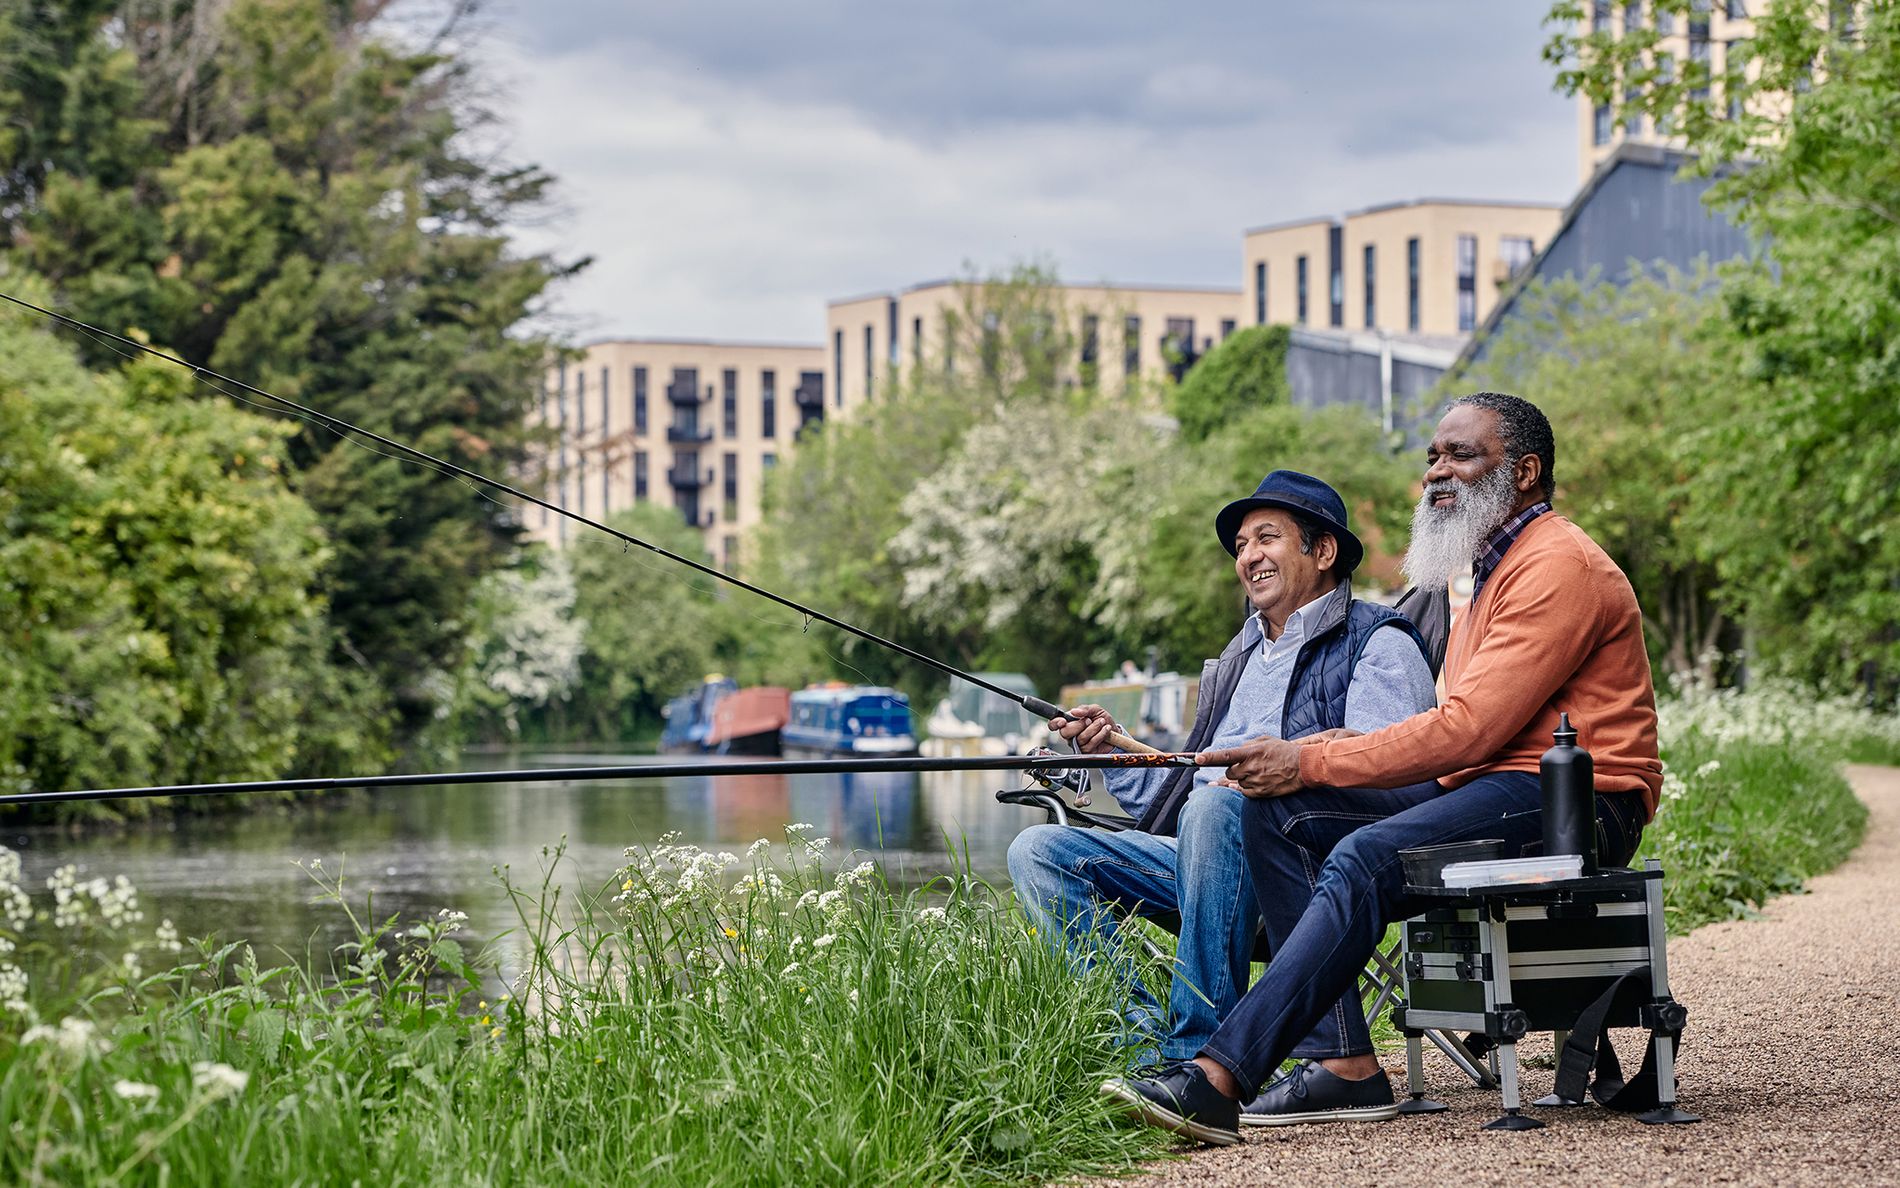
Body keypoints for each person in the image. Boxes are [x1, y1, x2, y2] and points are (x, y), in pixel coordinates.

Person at [1102, 392, 1663, 1145]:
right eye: (1433, 455)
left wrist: (1312, 755)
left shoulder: (1557, 564)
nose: (1438, 471)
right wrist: (1295, 769)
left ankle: (1215, 1078)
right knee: (1269, 808)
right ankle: (1343, 1063)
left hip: (1574, 801)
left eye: (1462, 455)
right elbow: (1460, 738)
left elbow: (1466, 730)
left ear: (1525, 473)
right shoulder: (1488, 576)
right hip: (1494, 788)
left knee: (1363, 854)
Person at [1008, 470, 1438, 1125]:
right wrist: (1114, 749)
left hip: (1309, 874)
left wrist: (1291, 770)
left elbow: (1399, 776)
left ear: (1323, 552)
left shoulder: (1376, 642)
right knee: (1039, 850)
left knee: (1221, 807)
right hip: (1206, 861)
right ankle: (1142, 1054)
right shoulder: (1238, 658)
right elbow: (1183, 794)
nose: (1248, 556)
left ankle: (1198, 1063)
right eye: (1240, 544)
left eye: (1268, 538)